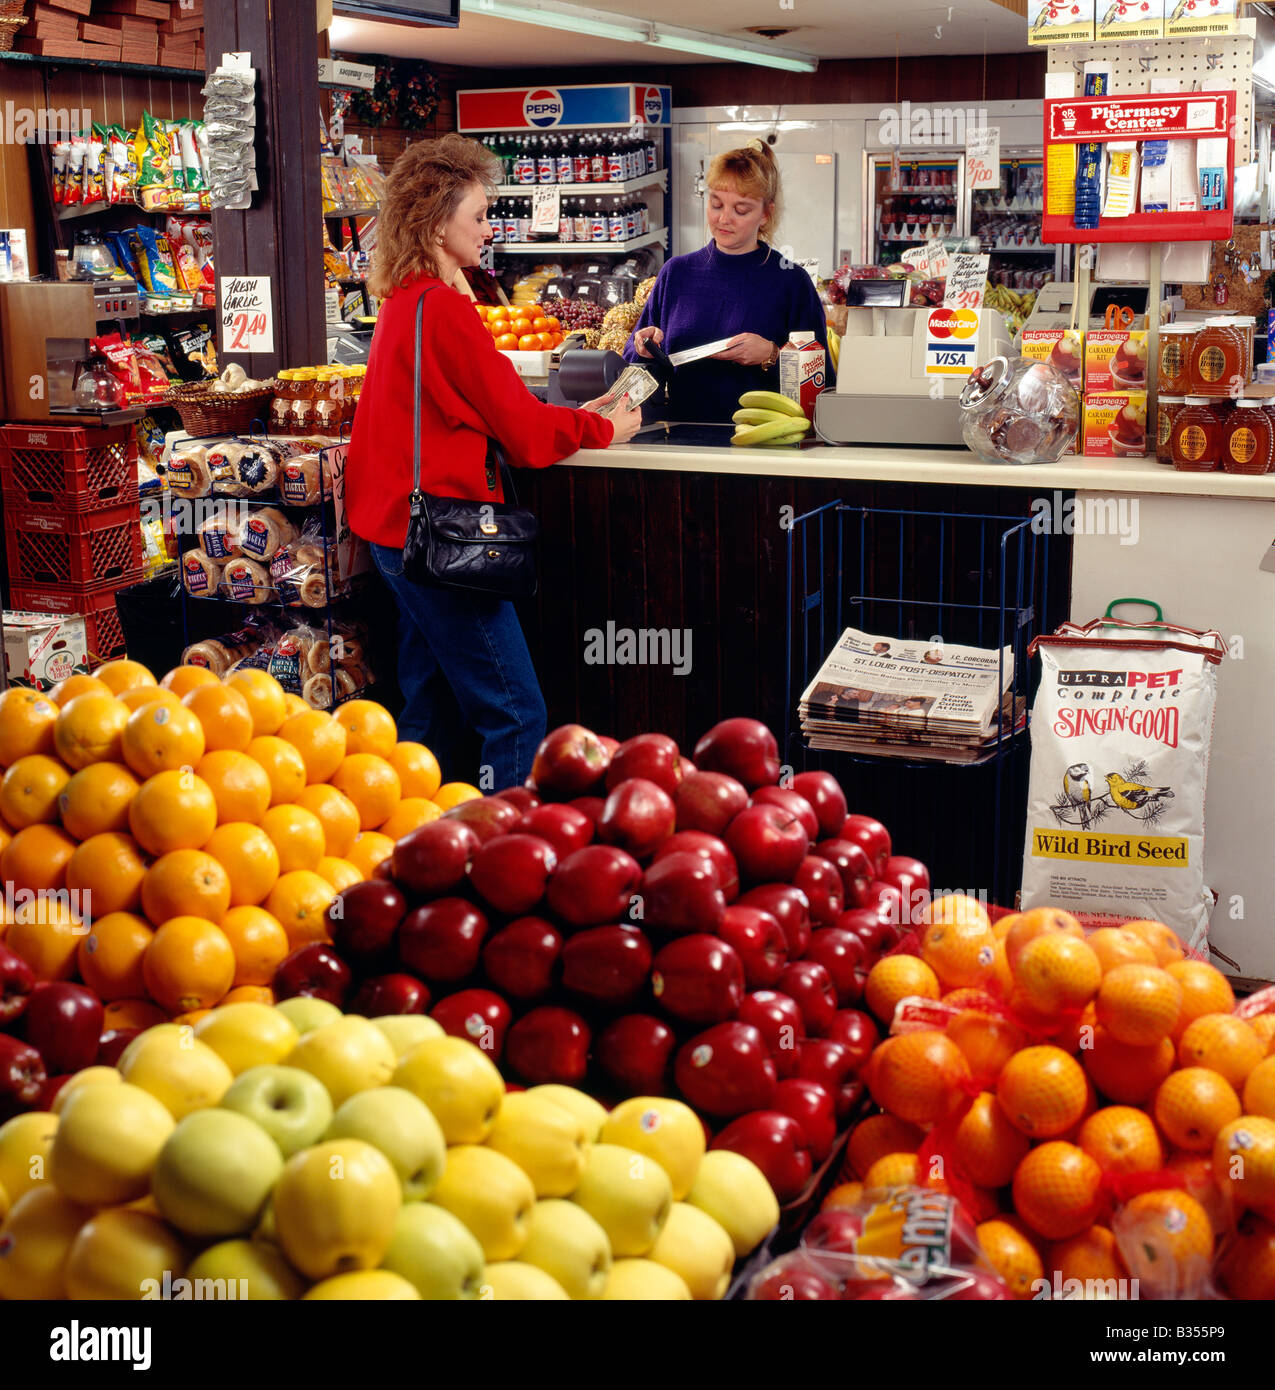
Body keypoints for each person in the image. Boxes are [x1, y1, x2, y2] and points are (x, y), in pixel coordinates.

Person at [346, 134, 642, 790]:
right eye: (478, 217)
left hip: (395, 531)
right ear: (433, 220)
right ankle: (503, 859)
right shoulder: (444, 310)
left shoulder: (404, 298)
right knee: (514, 712)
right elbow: (520, 430)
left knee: (429, 709)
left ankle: (415, 848)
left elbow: (469, 404)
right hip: (441, 539)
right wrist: (603, 425)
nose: (489, 229)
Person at [624, 140, 835, 422]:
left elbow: (823, 385)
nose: (724, 218)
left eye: (741, 209)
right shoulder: (676, 273)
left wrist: (771, 355)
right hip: (682, 443)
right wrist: (642, 348)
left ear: (766, 214)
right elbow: (634, 366)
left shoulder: (791, 281)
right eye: (716, 204)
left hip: (767, 446)